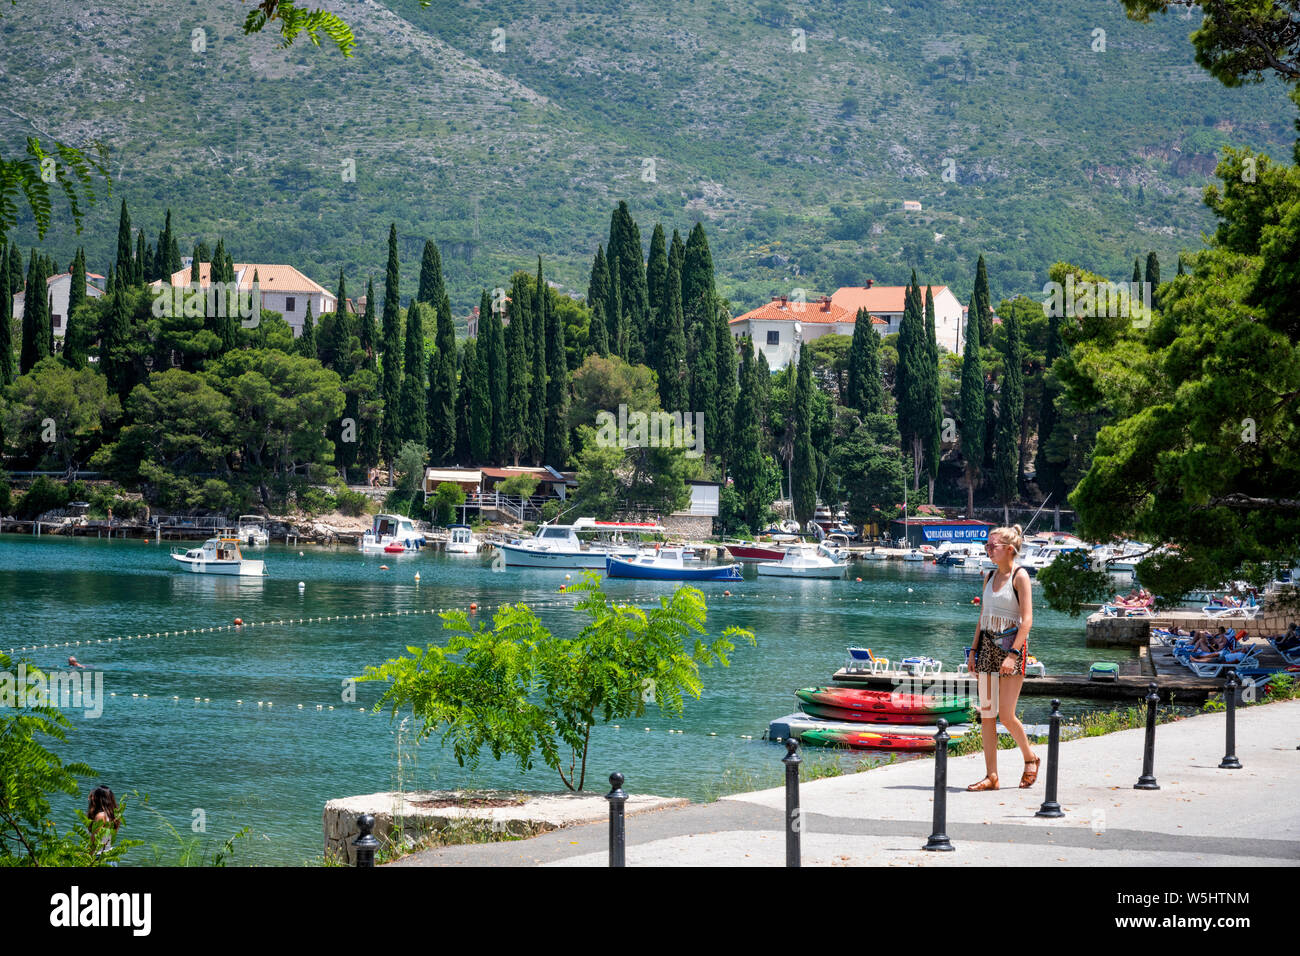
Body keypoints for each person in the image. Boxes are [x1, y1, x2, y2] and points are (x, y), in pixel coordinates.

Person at [966, 524, 1039, 792]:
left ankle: (1030, 757)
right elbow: (982, 617)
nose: (988, 550)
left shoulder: (1020, 577)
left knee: (1006, 715)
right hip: (986, 648)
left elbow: (1027, 620)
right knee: (986, 714)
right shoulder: (988, 576)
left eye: (992, 546)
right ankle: (991, 776)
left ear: (1009, 549)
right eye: (986, 546)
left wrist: (1013, 654)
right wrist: (973, 651)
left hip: (1011, 650)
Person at [87, 785, 119, 859]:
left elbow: (94, 842)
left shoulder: (100, 816)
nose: (89, 799)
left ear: (98, 799)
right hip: (109, 856)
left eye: (92, 796)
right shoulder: (113, 816)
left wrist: (86, 859)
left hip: (98, 857)